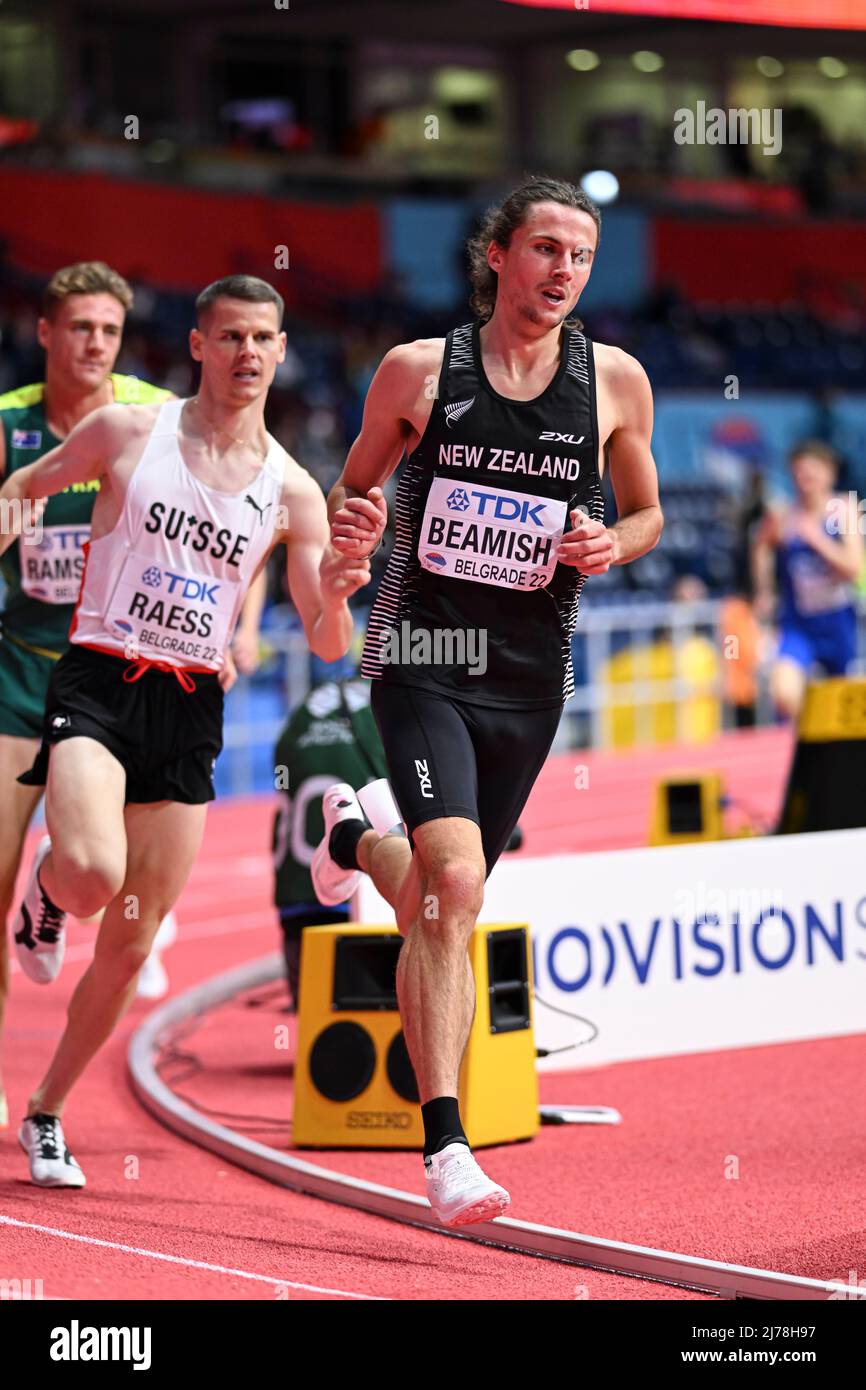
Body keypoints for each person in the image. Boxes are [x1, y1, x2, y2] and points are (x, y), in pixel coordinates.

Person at [313, 176, 663, 1226]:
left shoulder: (615, 384)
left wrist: (613, 541)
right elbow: (356, 486)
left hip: (526, 678)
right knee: (456, 884)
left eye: (580, 257)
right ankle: (445, 1148)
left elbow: (641, 513)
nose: (562, 272)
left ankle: (351, 840)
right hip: (423, 649)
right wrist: (350, 529)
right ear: (497, 255)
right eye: (545, 249)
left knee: (429, 891)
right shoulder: (420, 371)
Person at [0, 273, 379, 1185]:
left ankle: (46, 1110)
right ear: (199, 347)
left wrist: (333, 595)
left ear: (282, 352)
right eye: (232, 337)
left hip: (190, 707)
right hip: (96, 677)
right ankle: (48, 896)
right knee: (92, 870)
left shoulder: (293, 490)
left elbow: (329, 641)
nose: (249, 354)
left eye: (265, 340)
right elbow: (27, 481)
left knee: (132, 941)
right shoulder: (129, 431)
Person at [0, 261, 172, 1131]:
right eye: (79, 328)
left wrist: (242, 622)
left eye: (108, 329)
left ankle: (58, 896)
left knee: (103, 878)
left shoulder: (150, 413)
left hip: (112, 680)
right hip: (19, 671)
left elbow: (239, 507)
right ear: (45, 334)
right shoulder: (9, 425)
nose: (95, 344)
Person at [273, 676, 389, 1006]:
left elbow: (281, 775)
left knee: (316, 1020)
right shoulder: (391, 706)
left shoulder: (305, 710)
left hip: (297, 891)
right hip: (369, 893)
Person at [752, 441, 863, 719]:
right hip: (798, 623)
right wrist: (763, 591)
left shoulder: (844, 509)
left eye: (811, 473)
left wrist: (816, 539)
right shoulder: (784, 515)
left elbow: (853, 566)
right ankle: (809, 736)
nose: (805, 481)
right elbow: (761, 546)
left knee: (845, 709)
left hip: (839, 621)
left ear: (829, 474)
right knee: (784, 691)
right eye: (798, 474)